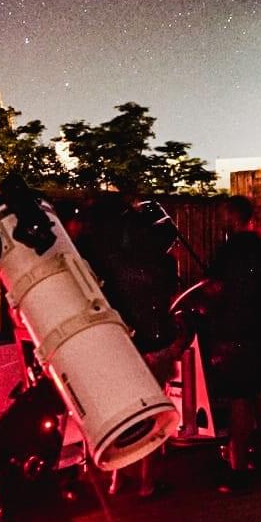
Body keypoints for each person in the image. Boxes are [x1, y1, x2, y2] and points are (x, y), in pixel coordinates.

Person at [68, 194, 185, 497]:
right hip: (153, 343)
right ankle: (147, 482)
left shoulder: (104, 258)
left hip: (118, 342)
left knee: (124, 411)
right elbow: (165, 299)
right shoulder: (158, 261)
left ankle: (116, 479)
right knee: (153, 414)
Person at [202, 194, 261, 491]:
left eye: (225, 214)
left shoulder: (228, 251)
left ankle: (237, 468)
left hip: (236, 330)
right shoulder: (260, 247)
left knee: (240, 397)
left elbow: (215, 289)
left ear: (233, 216)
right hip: (259, 328)